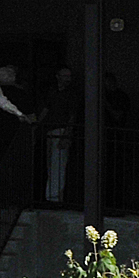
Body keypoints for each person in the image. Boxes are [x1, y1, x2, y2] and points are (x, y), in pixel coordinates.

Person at [41, 67, 78, 204]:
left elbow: (72, 115)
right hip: (50, 130)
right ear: (58, 76)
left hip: (61, 130)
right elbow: (46, 108)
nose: (68, 79)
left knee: (58, 165)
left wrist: (67, 133)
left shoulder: (72, 94)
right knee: (52, 164)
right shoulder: (52, 91)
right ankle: (51, 196)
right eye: (65, 76)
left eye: (69, 76)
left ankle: (54, 198)